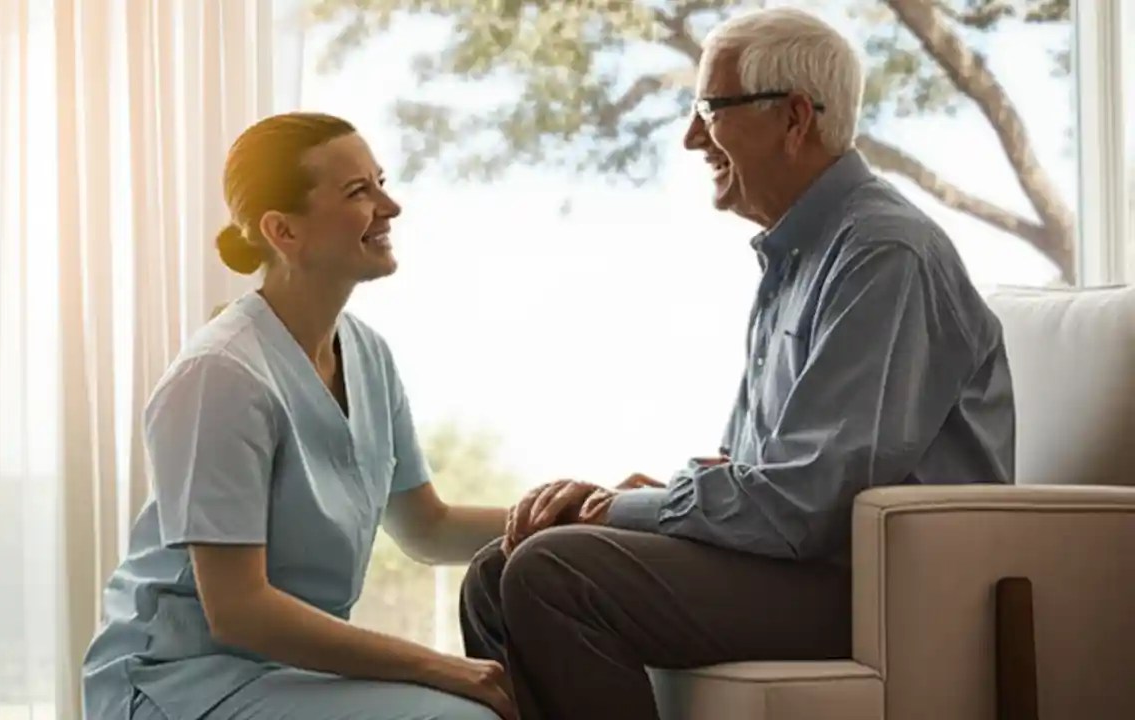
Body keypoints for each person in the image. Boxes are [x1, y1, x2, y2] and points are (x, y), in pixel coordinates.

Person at [459, 7, 1015, 720]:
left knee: (553, 571)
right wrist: (646, 505)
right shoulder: (800, 256)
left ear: (793, 118)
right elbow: (768, 475)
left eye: (709, 109)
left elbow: (803, 505)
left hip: (877, 591)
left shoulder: (883, 253)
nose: (692, 137)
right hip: (803, 565)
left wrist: (626, 510)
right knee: (494, 571)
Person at [82, 112, 516, 720]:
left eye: (380, 182)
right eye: (359, 192)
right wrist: (440, 665)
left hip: (281, 675)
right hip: (176, 683)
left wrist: (580, 517)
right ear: (283, 231)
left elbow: (427, 527)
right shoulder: (221, 375)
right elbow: (240, 610)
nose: (390, 206)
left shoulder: (367, 354)